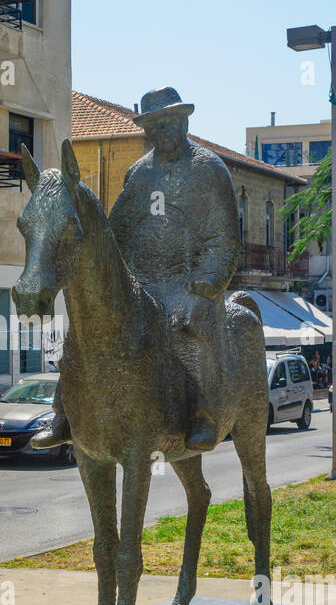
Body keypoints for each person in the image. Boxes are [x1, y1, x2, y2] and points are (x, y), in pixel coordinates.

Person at [34, 86, 240, 454]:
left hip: (187, 282)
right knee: (84, 326)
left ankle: (204, 414)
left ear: (183, 121)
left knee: (192, 319)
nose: (159, 132)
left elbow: (225, 240)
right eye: (152, 126)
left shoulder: (209, 169)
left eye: (166, 123)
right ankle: (62, 412)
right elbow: (116, 234)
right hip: (141, 283)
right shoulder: (139, 174)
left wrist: (208, 281)